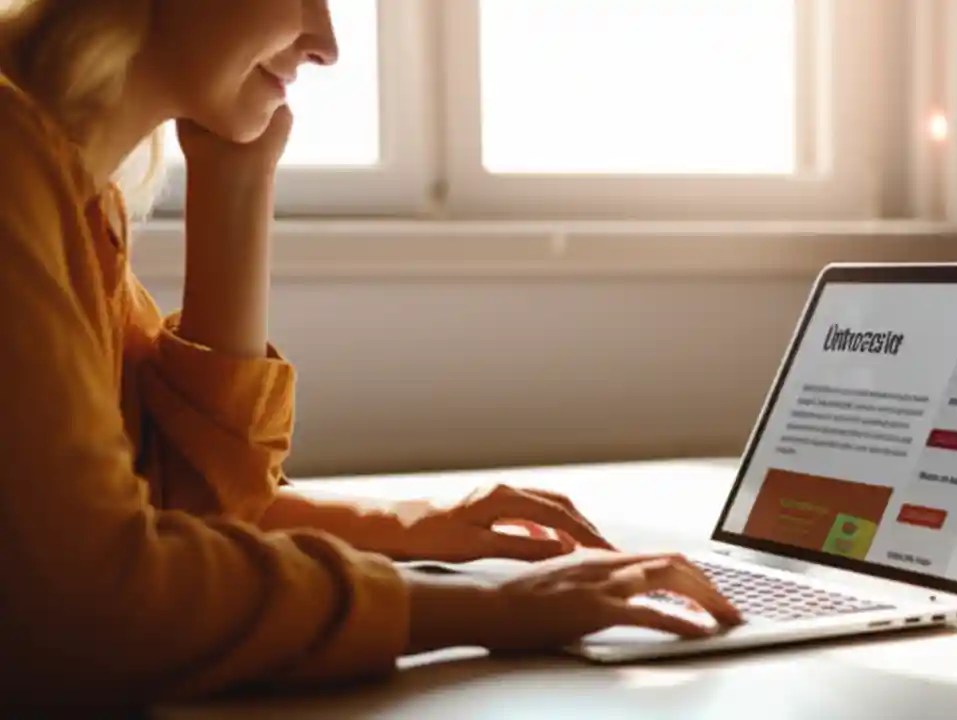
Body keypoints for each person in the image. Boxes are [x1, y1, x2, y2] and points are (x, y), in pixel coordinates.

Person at [0, 0, 740, 708]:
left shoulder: (69, 196)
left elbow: (187, 509)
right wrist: (481, 609)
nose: (326, 44)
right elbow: (93, 600)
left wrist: (415, 524)